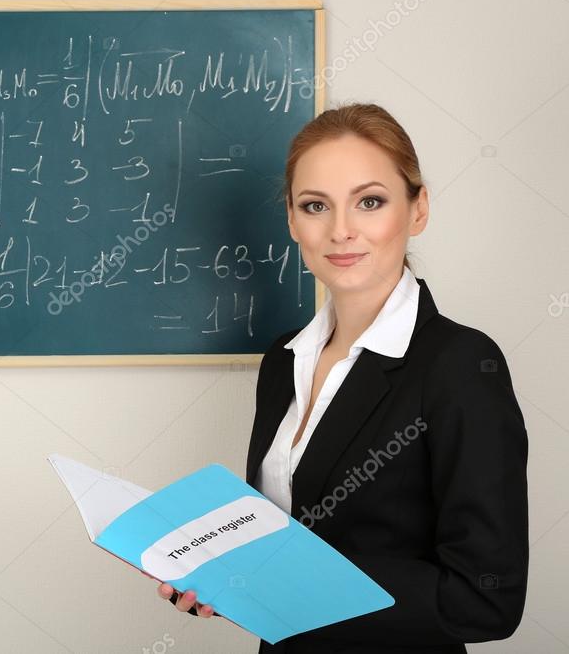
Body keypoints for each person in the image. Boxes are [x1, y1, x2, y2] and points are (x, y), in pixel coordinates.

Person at [157, 103, 529, 653]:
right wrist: (219, 572)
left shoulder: (462, 365)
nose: (341, 231)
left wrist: (291, 576)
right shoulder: (282, 361)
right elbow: (274, 534)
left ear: (418, 209)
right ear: (291, 219)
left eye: (370, 201)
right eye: (315, 206)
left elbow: (485, 600)